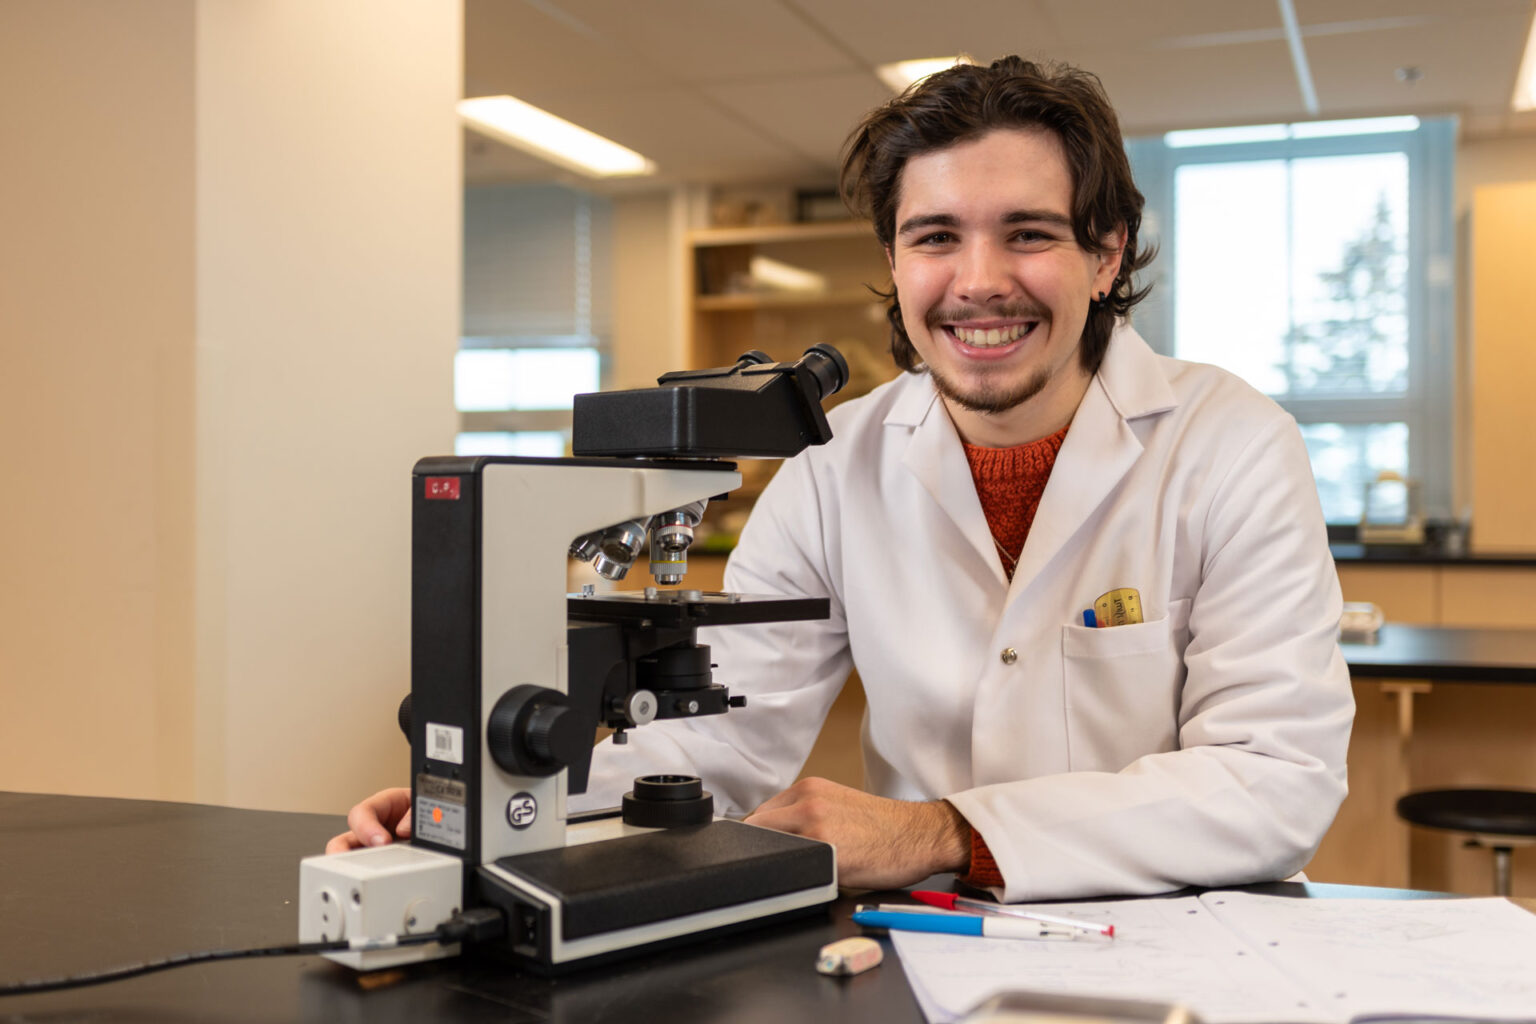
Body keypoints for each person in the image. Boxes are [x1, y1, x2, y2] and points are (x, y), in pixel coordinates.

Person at [330, 56, 1354, 903]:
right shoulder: (833, 463)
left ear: (1105, 255)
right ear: (896, 265)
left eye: (1029, 233)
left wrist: (938, 832)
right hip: (925, 943)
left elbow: (1275, 780)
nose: (978, 281)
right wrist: (504, 803)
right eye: (936, 237)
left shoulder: (1232, 444)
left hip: (1184, 941)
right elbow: (722, 743)